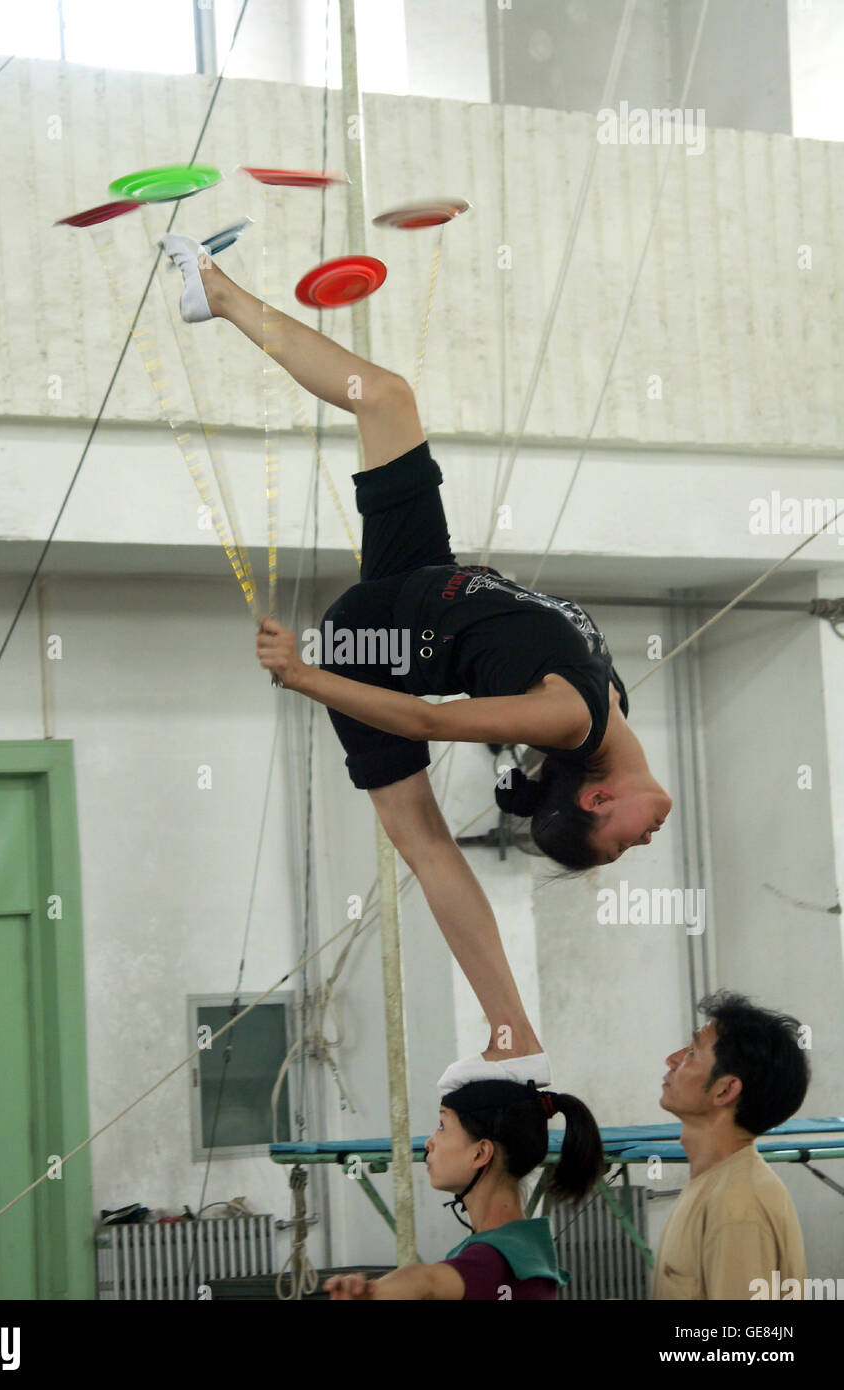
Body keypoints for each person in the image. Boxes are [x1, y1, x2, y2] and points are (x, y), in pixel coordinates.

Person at [160, 233, 671, 1090]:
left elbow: (433, 720)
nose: (640, 844)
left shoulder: (569, 719)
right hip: (423, 581)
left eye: (616, 845)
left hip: (371, 650)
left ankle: (511, 1032)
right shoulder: (605, 707)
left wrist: (306, 676)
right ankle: (216, 292)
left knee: (429, 847)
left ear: (596, 796)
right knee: (386, 397)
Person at [323, 1079, 603, 1300]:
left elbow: (426, 1282)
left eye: (443, 1126)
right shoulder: (522, 1248)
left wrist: (373, 1293)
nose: (430, 1142)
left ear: (481, 1153)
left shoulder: (494, 1260)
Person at [653, 990, 810, 1300]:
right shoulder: (713, 1184)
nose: (671, 1060)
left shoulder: (737, 1208)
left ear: (725, 1090)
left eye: (691, 1053)